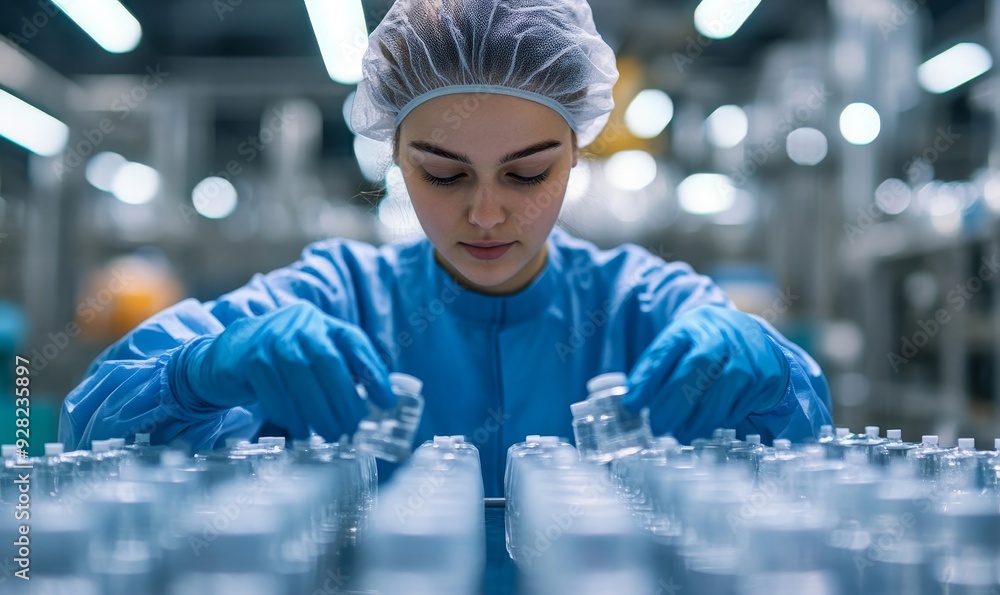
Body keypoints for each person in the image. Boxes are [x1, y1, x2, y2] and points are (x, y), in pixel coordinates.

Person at [59, 0, 832, 496]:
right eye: (443, 173)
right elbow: (82, 427)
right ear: (395, 155)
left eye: (528, 172)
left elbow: (811, 433)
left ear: (576, 153)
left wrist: (774, 376)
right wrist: (199, 369)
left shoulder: (643, 305)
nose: (487, 212)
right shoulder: (337, 295)